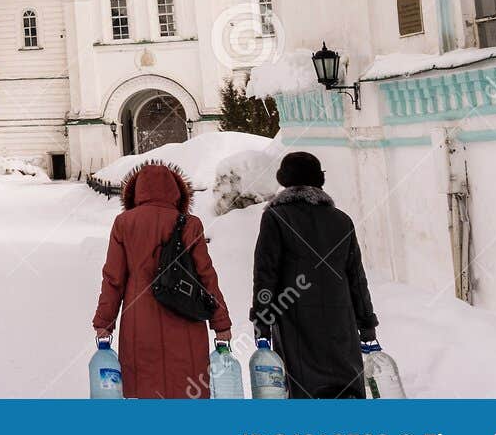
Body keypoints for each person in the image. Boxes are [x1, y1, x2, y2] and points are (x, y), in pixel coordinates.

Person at [92, 162, 231, 398]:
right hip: (186, 314)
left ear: (137, 191)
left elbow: (113, 278)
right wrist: (221, 323)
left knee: (147, 393)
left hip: (139, 321)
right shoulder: (190, 223)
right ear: (176, 191)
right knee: (186, 394)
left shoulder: (124, 223)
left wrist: (104, 322)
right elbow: (206, 275)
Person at [251, 151, 378, 398]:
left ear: (283, 180)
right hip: (342, 321)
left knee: (305, 392)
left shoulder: (276, 217)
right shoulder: (341, 220)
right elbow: (356, 278)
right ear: (320, 180)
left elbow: (265, 273)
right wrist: (366, 323)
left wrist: (262, 319)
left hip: (295, 322)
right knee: (346, 391)